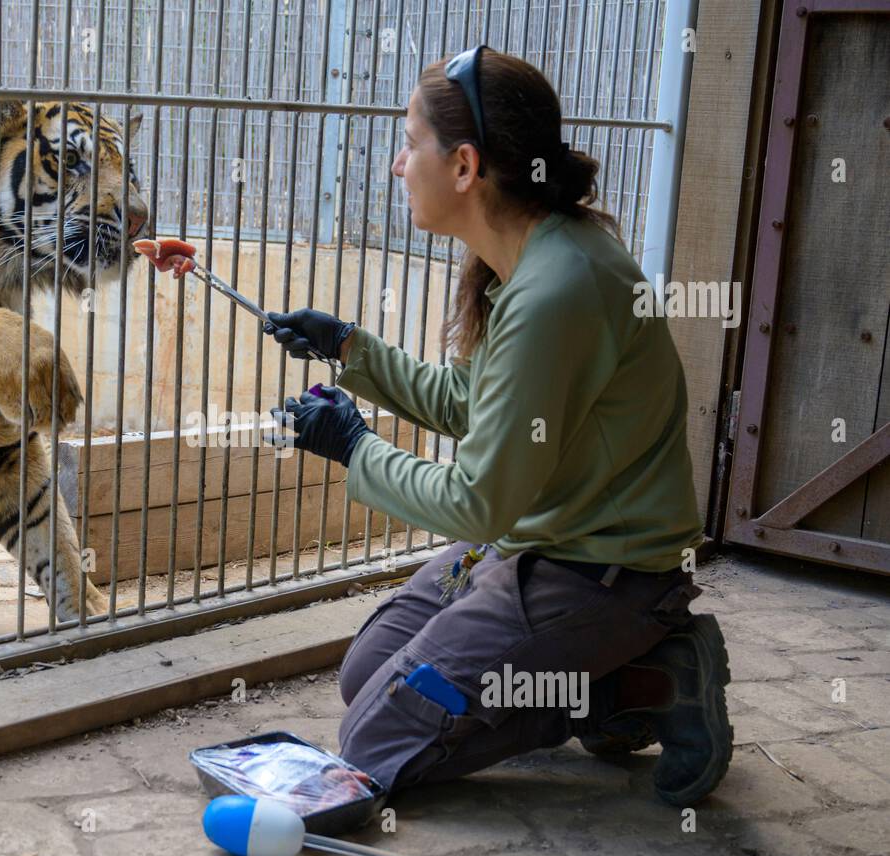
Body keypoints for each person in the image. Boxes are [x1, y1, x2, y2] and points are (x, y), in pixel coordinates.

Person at [262, 47, 732, 806]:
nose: (395, 165)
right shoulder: (531, 257)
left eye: (409, 144)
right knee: (364, 678)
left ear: (464, 166)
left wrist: (354, 446)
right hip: (538, 545)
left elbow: (482, 501)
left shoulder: (556, 291)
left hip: (605, 569)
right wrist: (350, 348)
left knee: (377, 742)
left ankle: (637, 681)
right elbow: (470, 404)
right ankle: (597, 672)